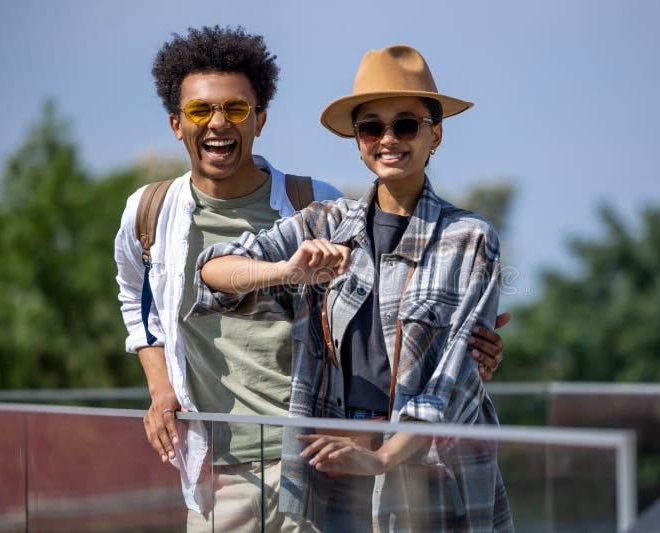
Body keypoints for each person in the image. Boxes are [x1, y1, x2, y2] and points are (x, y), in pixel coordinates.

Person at [114, 27, 508, 531]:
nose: (388, 139)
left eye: (406, 125)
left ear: (436, 133)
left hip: (424, 469)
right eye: (372, 128)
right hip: (326, 463)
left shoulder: (470, 238)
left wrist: (383, 456)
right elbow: (209, 273)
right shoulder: (326, 221)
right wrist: (286, 272)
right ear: (356, 140)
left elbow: (450, 381)